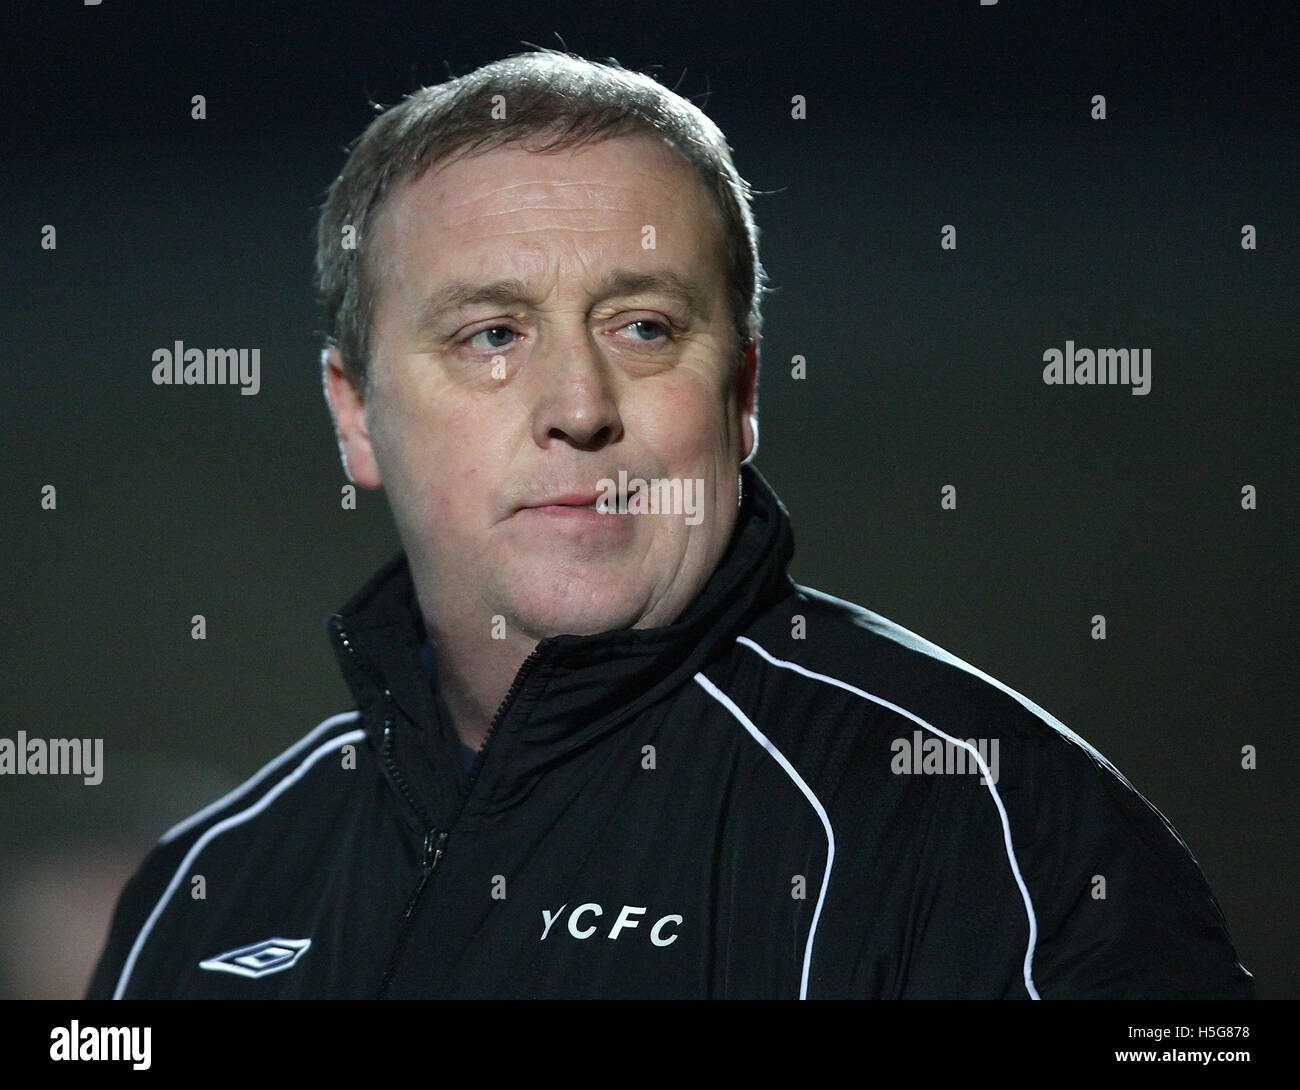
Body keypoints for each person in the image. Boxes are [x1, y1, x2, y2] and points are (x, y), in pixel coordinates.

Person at [87, 49, 1252, 999]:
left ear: (741, 395)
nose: (581, 409)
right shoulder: (212, 885)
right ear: (355, 416)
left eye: (642, 327)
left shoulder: (993, 829)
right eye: (491, 335)